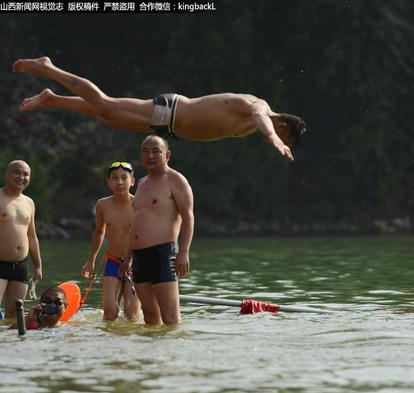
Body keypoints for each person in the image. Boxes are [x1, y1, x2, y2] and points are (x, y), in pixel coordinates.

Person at [13, 57, 306, 161]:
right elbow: (261, 119)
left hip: (170, 126)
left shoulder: (257, 123)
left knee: (107, 116)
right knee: (105, 103)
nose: (281, 143)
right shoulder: (260, 109)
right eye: (286, 139)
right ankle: (49, 69)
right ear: (283, 127)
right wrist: (276, 142)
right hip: (173, 111)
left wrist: (274, 139)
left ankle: (52, 99)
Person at [121, 135, 194, 325]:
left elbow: (188, 216)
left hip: (162, 253)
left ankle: (172, 354)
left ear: (167, 155)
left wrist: (184, 252)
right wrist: (128, 258)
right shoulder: (142, 183)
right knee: (150, 316)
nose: (150, 155)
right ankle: (152, 354)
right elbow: (137, 222)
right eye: (145, 151)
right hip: (139, 255)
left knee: (170, 317)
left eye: (156, 151)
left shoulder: (175, 180)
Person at [80, 161, 141, 321]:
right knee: (109, 313)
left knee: (132, 315)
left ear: (132, 181)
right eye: (115, 178)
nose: (119, 182)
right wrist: (91, 260)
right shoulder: (102, 205)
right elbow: (99, 232)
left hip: (135, 262)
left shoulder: (139, 204)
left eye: (124, 178)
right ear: (108, 182)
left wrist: (131, 260)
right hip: (113, 261)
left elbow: (141, 235)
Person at [0, 160, 42, 318]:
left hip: (20, 266)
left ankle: (13, 343)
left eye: (26, 174)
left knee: (14, 314)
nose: (21, 177)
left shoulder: (29, 202)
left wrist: (38, 266)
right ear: (6, 174)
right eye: (17, 172)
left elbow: (31, 235)